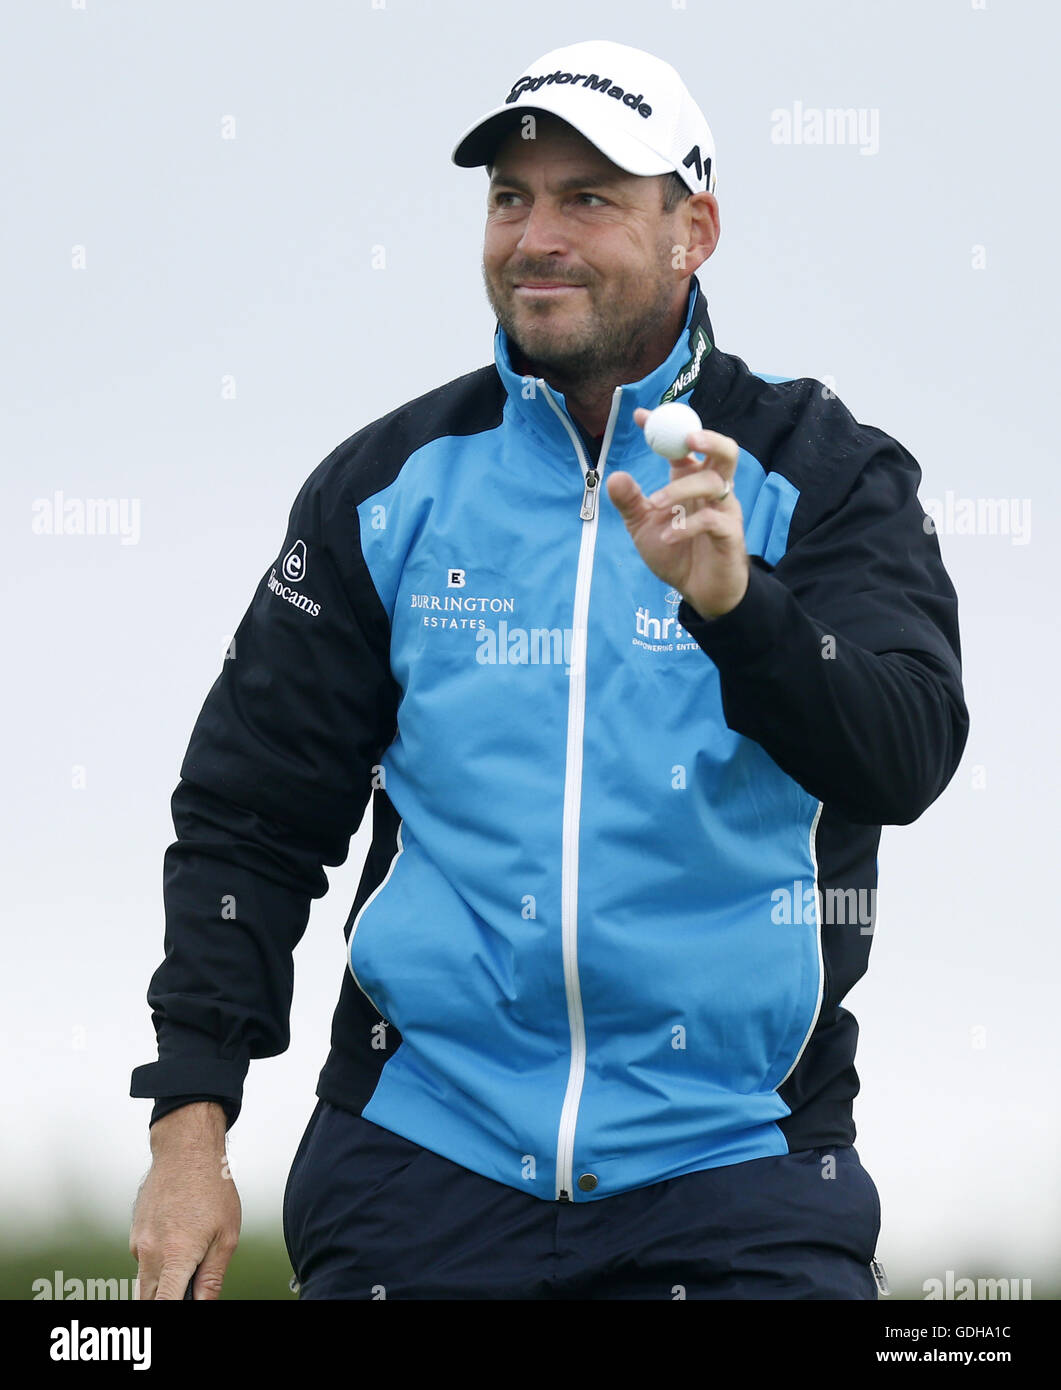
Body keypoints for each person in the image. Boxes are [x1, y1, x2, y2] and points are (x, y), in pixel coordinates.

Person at [129, 39, 968, 1301]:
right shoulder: (388, 484)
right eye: (509, 198)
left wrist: (740, 609)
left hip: (735, 1168)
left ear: (694, 231)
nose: (535, 236)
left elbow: (903, 751)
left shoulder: (827, 471)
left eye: (587, 198)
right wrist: (190, 1123)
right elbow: (248, 817)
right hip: (419, 1162)